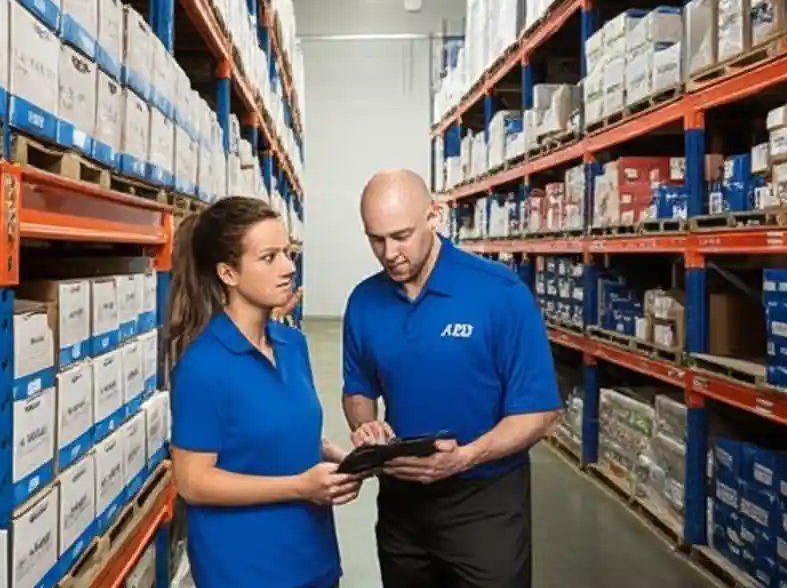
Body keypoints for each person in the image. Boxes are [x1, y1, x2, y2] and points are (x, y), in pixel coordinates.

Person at [342, 169, 561, 588]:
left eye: (401, 235)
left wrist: (465, 457)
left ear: (434, 216)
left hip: (484, 501)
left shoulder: (500, 294)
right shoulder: (364, 302)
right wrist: (364, 424)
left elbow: (539, 412)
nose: (389, 253)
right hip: (401, 502)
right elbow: (357, 388)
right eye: (376, 239)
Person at [168, 196, 359, 588]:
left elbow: (286, 427)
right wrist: (300, 486)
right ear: (228, 273)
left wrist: (347, 460)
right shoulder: (203, 367)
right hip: (246, 568)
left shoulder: (293, 345)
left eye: (287, 253)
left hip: (313, 557)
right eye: (269, 257)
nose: (289, 267)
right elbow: (193, 482)